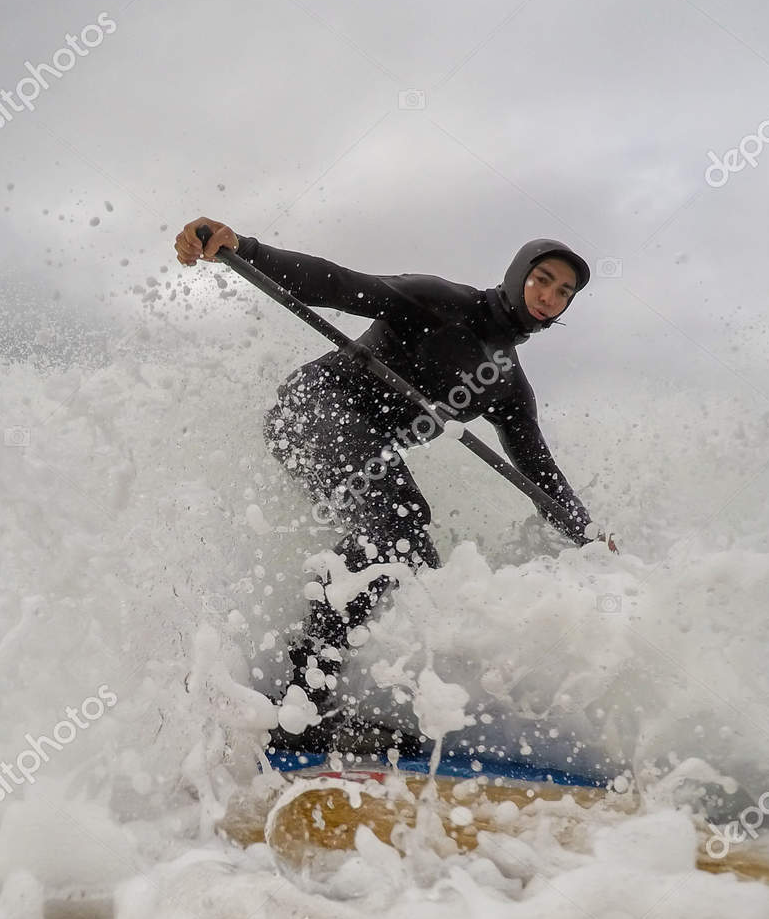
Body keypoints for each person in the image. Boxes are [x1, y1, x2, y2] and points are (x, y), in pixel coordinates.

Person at [173, 217, 606, 753]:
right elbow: (336, 283)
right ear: (518, 275)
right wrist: (244, 248)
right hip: (310, 407)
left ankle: (313, 695)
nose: (549, 296)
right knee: (397, 521)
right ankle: (300, 706)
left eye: (563, 293)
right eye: (542, 279)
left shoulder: (509, 388)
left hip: (357, 444)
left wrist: (591, 538)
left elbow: (541, 477)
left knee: (412, 551)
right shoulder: (441, 301)